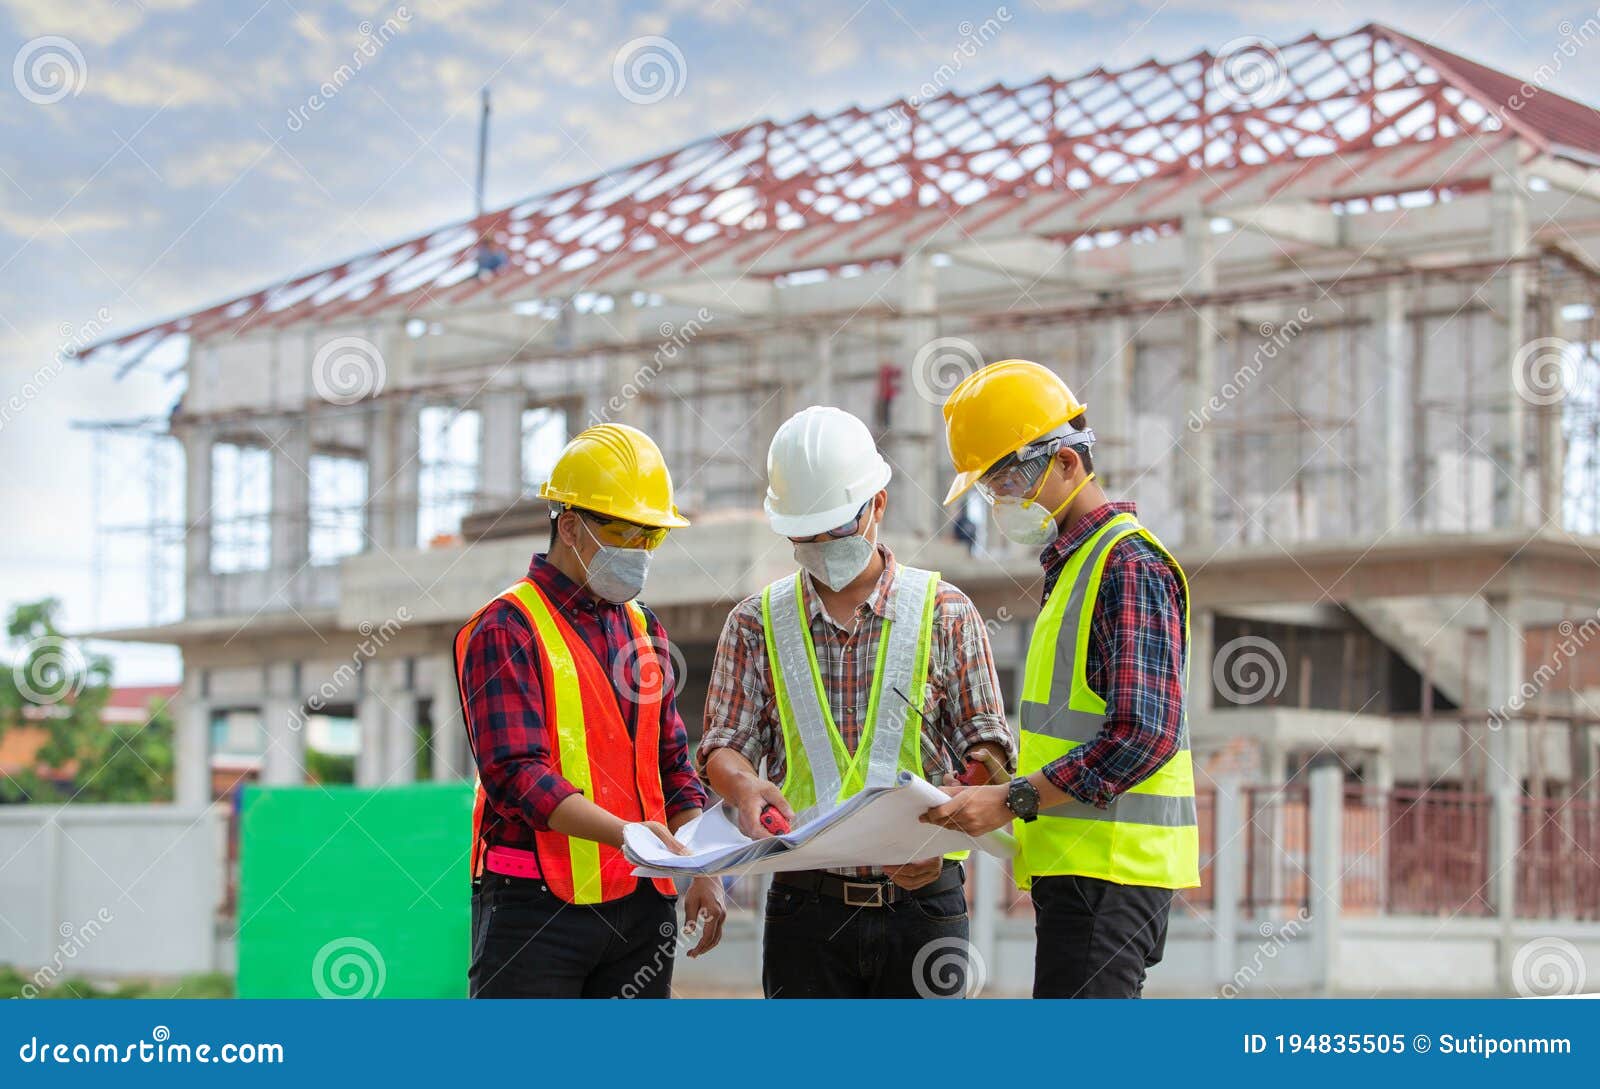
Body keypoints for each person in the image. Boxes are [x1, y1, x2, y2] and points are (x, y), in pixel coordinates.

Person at [699, 406, 1014, 998]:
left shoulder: (946, 612)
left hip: (924, 905)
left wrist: (950, 822)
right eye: (805, 537)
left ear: (879, 506)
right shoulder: (754, 624)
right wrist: (743, 788)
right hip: (805, 909)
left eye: (836, 531)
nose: (821, 547)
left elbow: (988, 745)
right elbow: (724, 745)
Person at [922, 359, 1198, 998]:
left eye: (1012, 477)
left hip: (1109, 876)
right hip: (1083, 875)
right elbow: (1083, 727)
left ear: (1070, 462)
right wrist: (1004, 779)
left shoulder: (1127, 566)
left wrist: (1013, 800)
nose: (1004, 499)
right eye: (993, 485)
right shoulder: (1075, 568)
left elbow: (1143, 734)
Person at [456, 423, 724, 998]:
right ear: (572, 527)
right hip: (535, 913)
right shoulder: (507, 627)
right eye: (628, 533)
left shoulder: (643, 629)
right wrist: (627, 834)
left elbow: (674, 770)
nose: (641, 553)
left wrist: (702, 867)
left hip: (642, 911)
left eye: (652, 537)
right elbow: (516, 777)